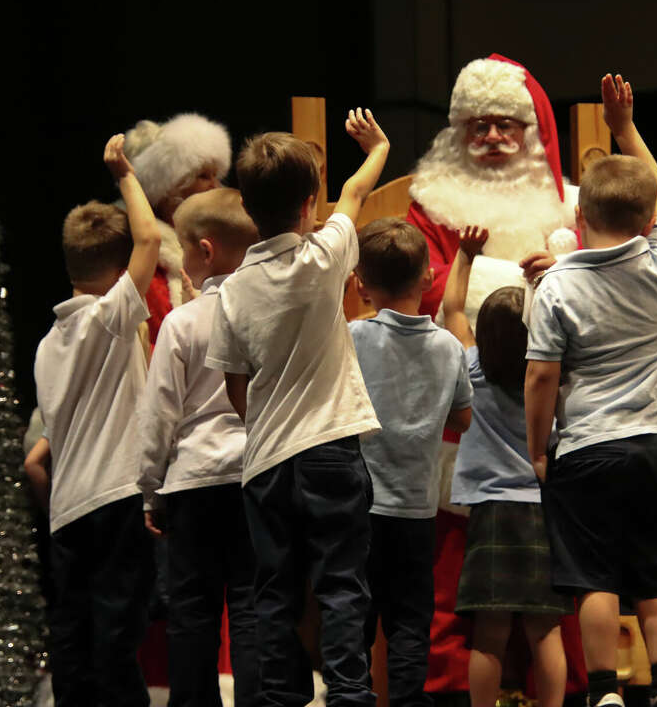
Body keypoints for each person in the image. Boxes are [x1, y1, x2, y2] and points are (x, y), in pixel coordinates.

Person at [404, 53, 583, 696]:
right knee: (460, 579)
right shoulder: (430, 204)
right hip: (462, 414)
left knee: (549, 588)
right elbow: (424, 291)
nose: (492, 138)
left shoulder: (570, 209)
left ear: (532, 132)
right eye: (477, 125)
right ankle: (454, 686)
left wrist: (556, 273)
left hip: (556, 411)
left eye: (506, 124)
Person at [204, 109, 389, 707]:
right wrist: (377, 147)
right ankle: (349, 695)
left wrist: (266, 424)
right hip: (331, 446)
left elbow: (235, 386)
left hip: (266, 462)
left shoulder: (231, 290)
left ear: (246, 206)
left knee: (275, 593)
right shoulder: (324, 256)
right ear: (310, 203)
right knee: (342, 584)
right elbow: (356, 192)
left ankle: (279, 699)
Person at [524, 75, 657, 707]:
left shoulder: (557, 286)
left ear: (579, 217)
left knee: (594, 575)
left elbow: (541, 376)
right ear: (646, 222)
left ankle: (604, 693)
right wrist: (625, 128)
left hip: (588, 447)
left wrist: (538, 450)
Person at [25, 134, 162, 707]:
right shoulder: (108, 318)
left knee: (74, 641)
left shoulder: (46, 344)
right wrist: (124, 174)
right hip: (114, 499)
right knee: (116, 641)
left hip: (68, 509)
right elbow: (151, 237)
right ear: (119, 269)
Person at [133, 187, 260, 707]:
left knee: (192, 611)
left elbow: (158, 412)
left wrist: (149, 488)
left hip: (193, 482)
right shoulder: (268, 315)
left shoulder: (182, 323)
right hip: (255, 474)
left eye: (183, 248)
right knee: (253, 607)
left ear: (204, 251)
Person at [348, 217, 473, 707]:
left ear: (361, 284)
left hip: (360, 505)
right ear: (427, 277)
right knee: (410, 623)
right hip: (416, 510)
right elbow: (463, 418)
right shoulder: (447, 346)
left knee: (355, 618)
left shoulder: (352, 337)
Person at [445, 226, 571, 707]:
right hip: (542, 509)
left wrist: (465, 255)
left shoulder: (472, 368)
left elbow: (453, 310)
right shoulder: (551, 376)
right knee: (545, 629)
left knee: (489, 633)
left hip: (492, 511)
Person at [123, 112, 232, 342]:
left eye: (215, 176)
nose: (215, 186)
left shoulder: (220, 243)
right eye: (203, 176)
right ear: (171, 188)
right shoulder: (148, 263)